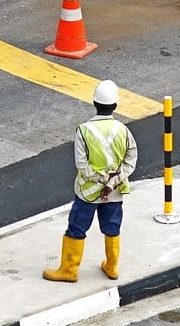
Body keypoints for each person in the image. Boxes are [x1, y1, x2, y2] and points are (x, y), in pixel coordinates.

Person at [43, 80, 137, 283]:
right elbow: (130, 161)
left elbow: (82, 165)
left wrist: (100, 180)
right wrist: (112, 182)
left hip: (88, 192)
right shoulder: (123, 130)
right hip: (114, 192)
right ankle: (111, 267)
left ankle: (69, 270)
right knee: (112, 227)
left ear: (94, 102)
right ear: (115, 105)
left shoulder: (84, 131)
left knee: (77, 227)